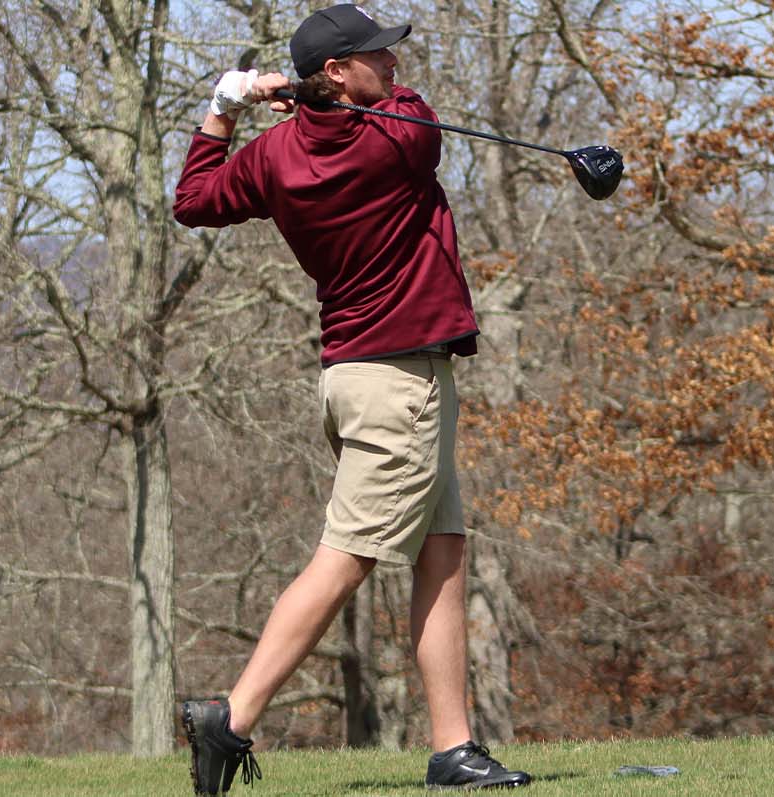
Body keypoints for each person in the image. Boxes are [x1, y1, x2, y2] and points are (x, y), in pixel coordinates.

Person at [173, 4, 532, 794]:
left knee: (442, 550)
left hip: (357, 377)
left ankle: (453, 749)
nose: (393, 63)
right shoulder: (397, 137)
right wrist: (308, 95)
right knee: (347, 556)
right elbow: (412, 111)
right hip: (400, 383)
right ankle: (232, 715)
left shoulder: (274, 156)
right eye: (376, 54)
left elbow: (193, 197)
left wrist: (229, 103)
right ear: (336, 71)